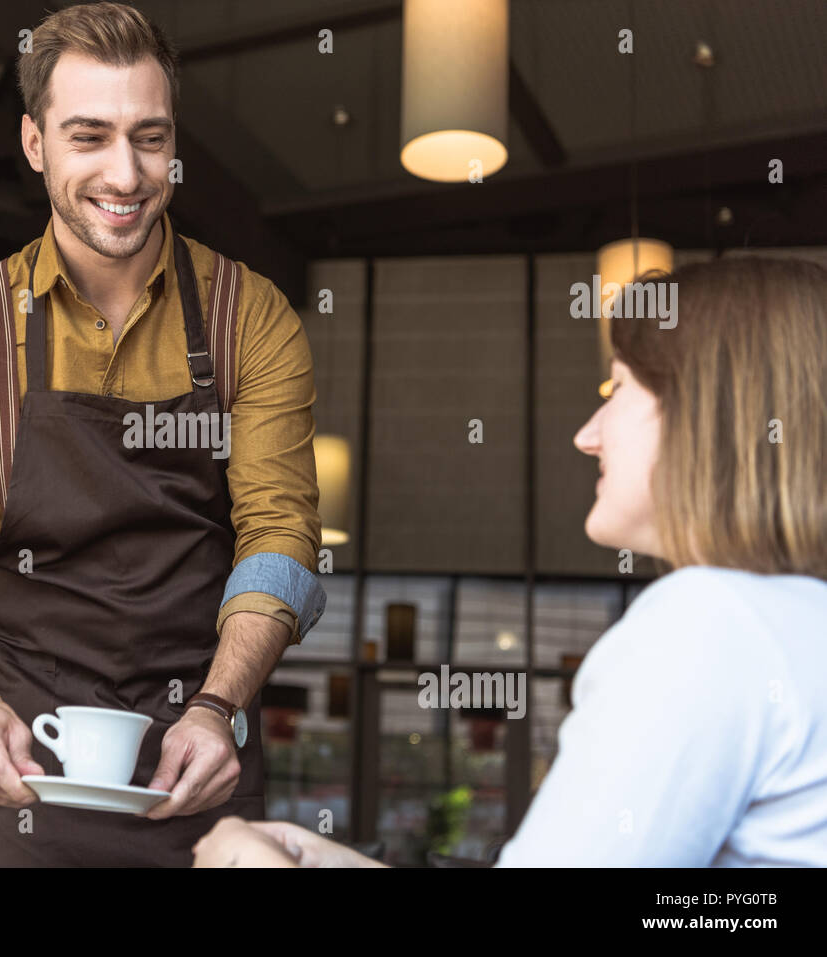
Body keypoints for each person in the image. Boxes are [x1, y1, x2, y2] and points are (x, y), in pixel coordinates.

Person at [0, 2, 326, 866]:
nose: (126, 172)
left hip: (202, 744)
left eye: (150, 137)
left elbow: (281, 533)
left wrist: (218, 708)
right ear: (35, 144)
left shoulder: (249, 316)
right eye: (90, 137)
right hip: (21, 752)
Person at [193, 256, 827, 867]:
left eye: (620, 388)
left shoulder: (708, 621)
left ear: (708, 413)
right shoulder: (797, 619)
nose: (588, 434)